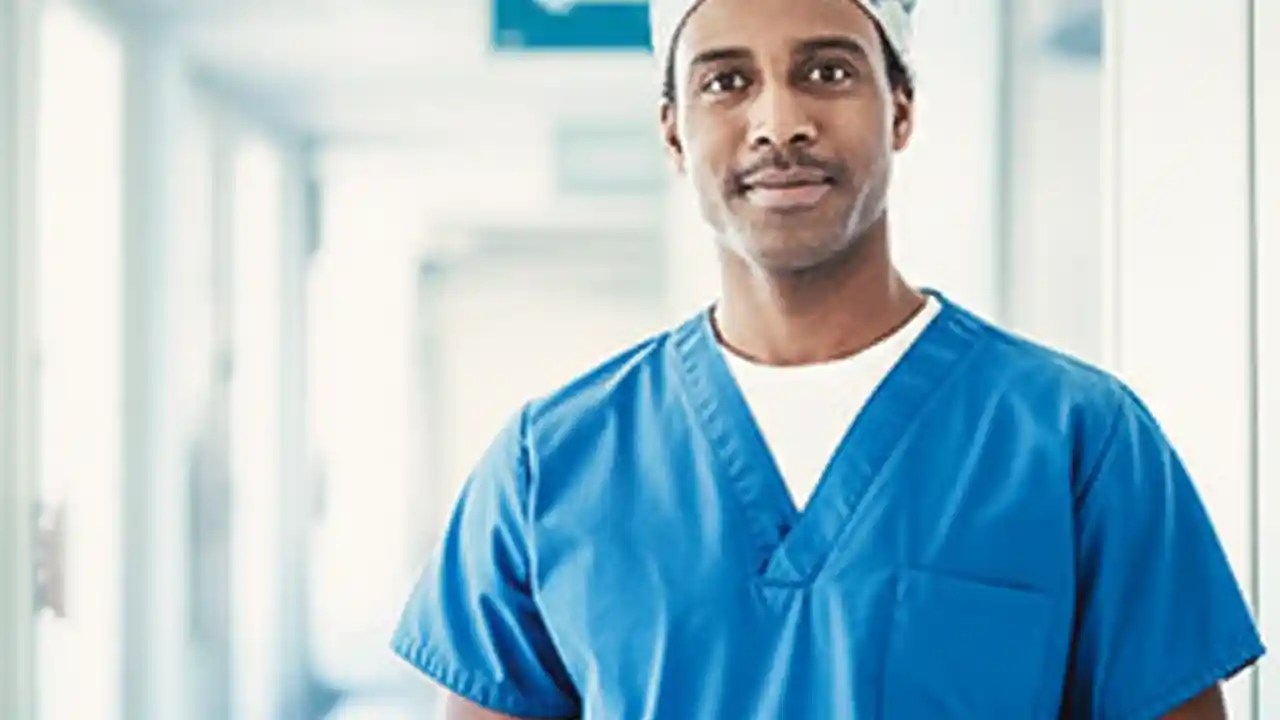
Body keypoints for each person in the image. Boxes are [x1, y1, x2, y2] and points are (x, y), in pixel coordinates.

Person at [391, 0, 1266, 716]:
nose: (781, 123)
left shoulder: (1077, 439)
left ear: (901, 108)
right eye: (727, 81)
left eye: (828, 71)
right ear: (671, 133)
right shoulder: (551, 463)